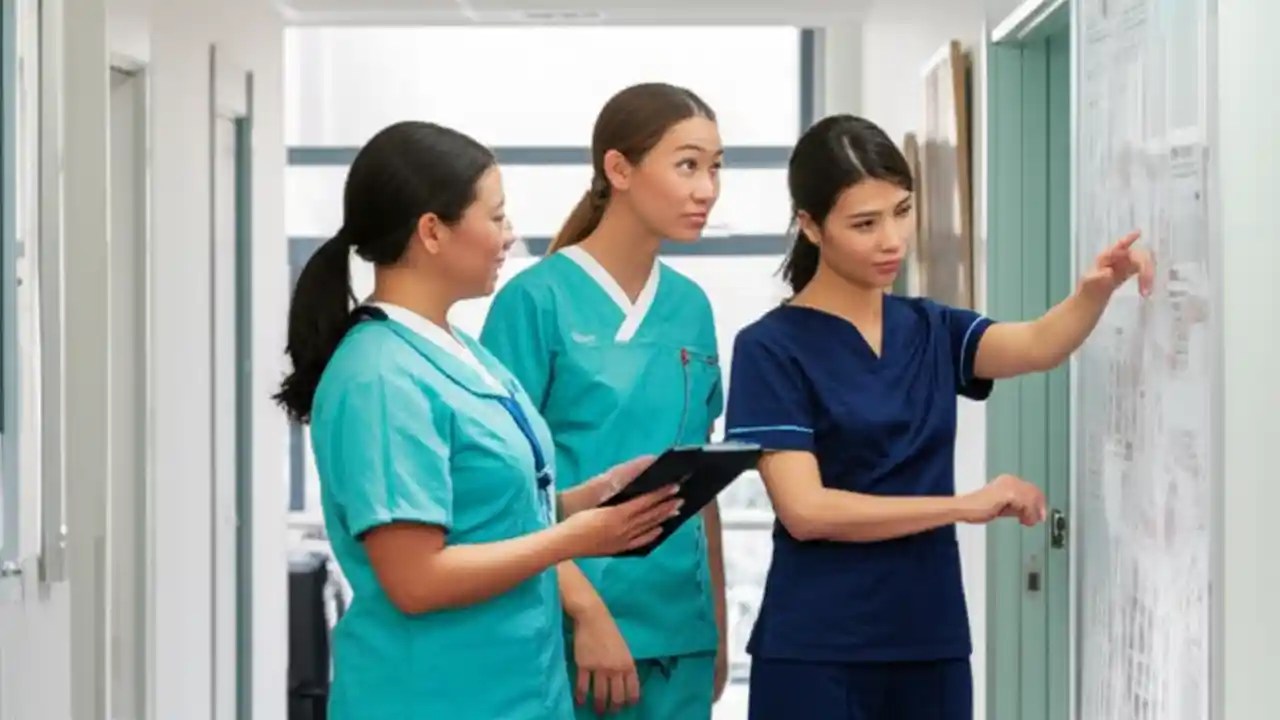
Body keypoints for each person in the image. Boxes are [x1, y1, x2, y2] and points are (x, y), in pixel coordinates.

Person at [723, 114, 1154, 720]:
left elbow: (1036, 345)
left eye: (901, 211)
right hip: (817, 648)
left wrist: (1095, 291)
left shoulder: (929, 327)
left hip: (930, 640)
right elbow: (808, 511)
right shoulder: (769, 348)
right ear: (810, 226)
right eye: (864, 224)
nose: (891, 239)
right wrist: (962, 505)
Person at [273, 120, 685, 720]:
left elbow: (487, 515)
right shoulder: (381, 375)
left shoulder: (461, 350)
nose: (510, 237)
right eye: (496, 217)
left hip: (517, 689)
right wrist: (576, 539)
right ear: (433, 231)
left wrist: (586, 500)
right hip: (432, 695)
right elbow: (416, 579)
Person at [479, 83, 728, 720]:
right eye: (687, 164)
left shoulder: (692, 307)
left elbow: (699, 481)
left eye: (715, 167)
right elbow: (501, 493)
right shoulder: (535, 301)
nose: (707, 188)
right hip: (571, 631)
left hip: (681, 637)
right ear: (618, 169)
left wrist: (716, 627)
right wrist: (586, 613)